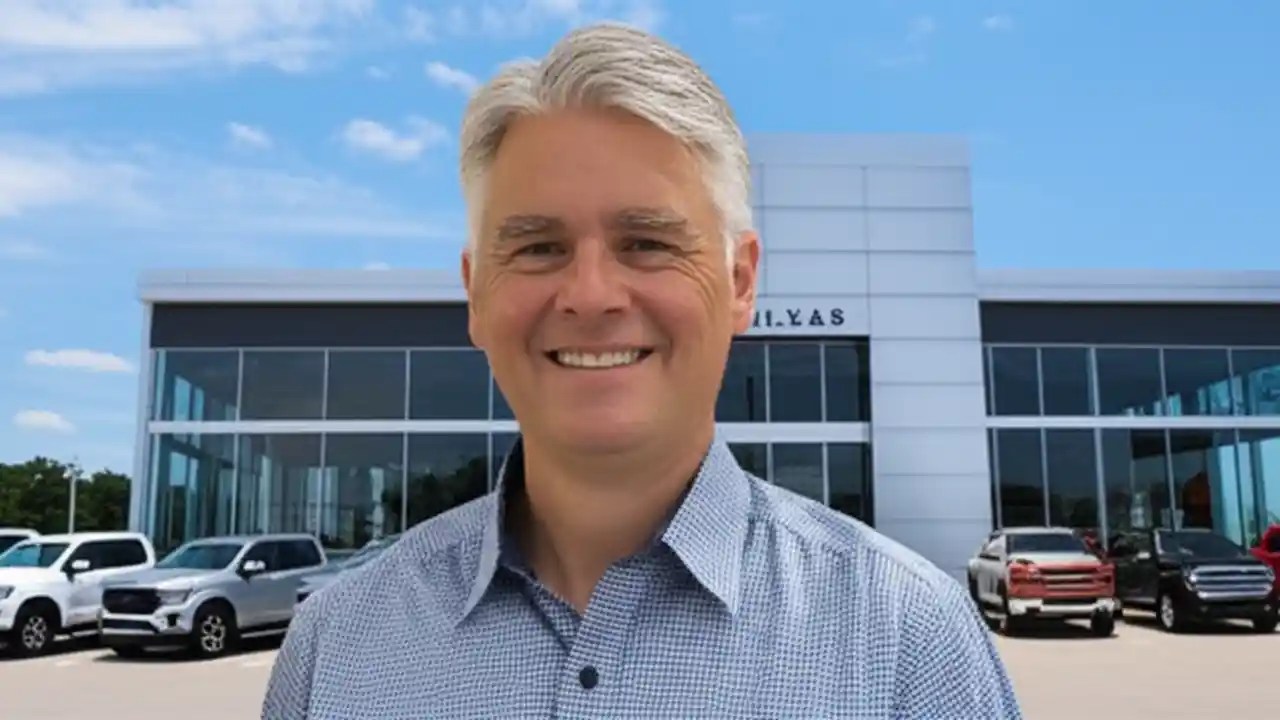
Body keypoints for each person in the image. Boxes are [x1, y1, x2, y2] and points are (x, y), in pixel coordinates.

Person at [262, 22, 1022, 720]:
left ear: (741, 282)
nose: (590, 296)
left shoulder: (907, 643)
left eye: (648, 242)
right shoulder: (335, 650)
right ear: (476, 294)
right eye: (537, 247)